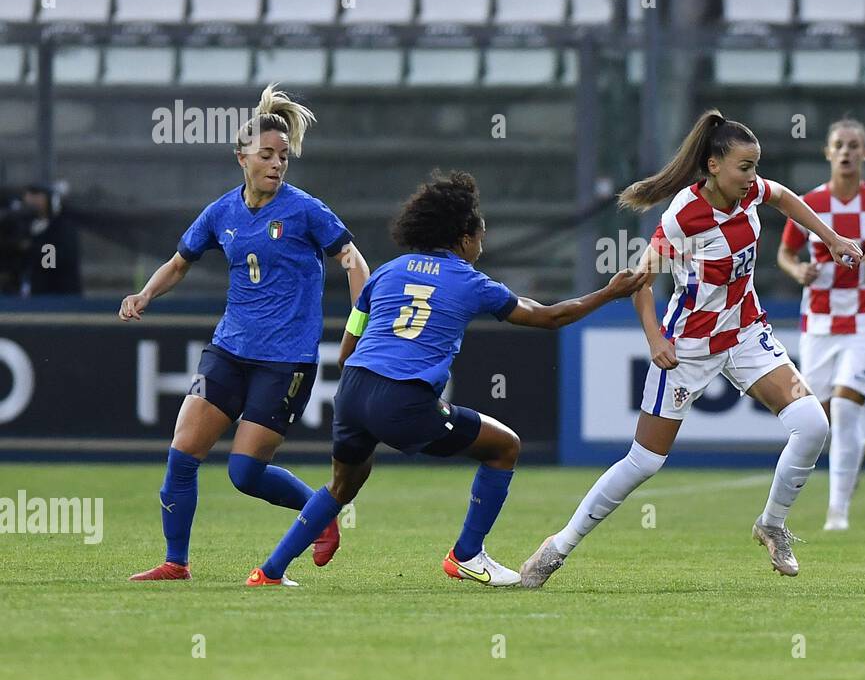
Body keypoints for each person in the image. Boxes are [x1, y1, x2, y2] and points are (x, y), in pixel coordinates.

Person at [246, 170, 651, 586]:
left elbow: (348, 349)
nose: (482, 242)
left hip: (352, 391)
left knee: (341, 486)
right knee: (504, 447)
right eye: (480, 234)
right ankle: (467, 554)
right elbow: (549, 317)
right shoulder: (471, 281)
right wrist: (608, 293)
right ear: (462, 238)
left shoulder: (387, 271)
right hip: (402, 400)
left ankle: (270, 571)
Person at [518, 110, 864, 588]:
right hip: (689, 346)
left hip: (744, 333)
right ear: (714, 165)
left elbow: (783, 197)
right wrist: (655, 339)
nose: (753, 177)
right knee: (645, 462)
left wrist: (831, 237)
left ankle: (772, 524)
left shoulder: (753, 191)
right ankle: (557, 548)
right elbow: (641, 279)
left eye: (755, 166)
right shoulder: (684, 215)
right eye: (745, 167)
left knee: (811, 425)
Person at [120, 84, 369, 580]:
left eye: (284, 157)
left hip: (286, 360)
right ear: (242, 158)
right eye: (267, 155)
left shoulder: (305, 210)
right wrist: (145, 295)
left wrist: (362, 324)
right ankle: (176, 563)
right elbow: (179, 262)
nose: (277, 164)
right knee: (181, 455)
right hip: (229, 350)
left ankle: (322, 514)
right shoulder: (221, 213)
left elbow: (352, 259)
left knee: (243, 473)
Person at [777, 118, 865, 530]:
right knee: (818, 418)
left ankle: (837, 514)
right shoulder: (808, 205)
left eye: (853, 145)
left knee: (843, 408)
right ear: (827, 152)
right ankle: (856, 449)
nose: (846, 152)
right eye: (839, 145)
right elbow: (785, 254)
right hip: (819, 323)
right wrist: (796, 271)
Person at [18, 184, 82, 296]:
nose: (33, 202)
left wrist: (32, 247)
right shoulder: (26, 225)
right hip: (35, 290)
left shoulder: (62, 226)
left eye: (38, 197)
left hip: (60, 291)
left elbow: (54, 261)